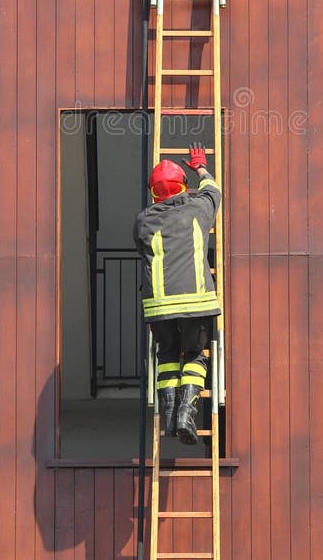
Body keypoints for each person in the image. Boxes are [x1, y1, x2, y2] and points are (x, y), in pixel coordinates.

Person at [133, 143, 221, 445]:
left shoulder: (143, 222)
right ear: (183, 186)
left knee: (168, 353)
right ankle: (186, 410)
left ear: (154, 193)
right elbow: (213, 192)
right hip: (197, 302)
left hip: (159, 307)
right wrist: (201, 167)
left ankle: (170, 411)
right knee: (195, 354)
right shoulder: (198, 209)